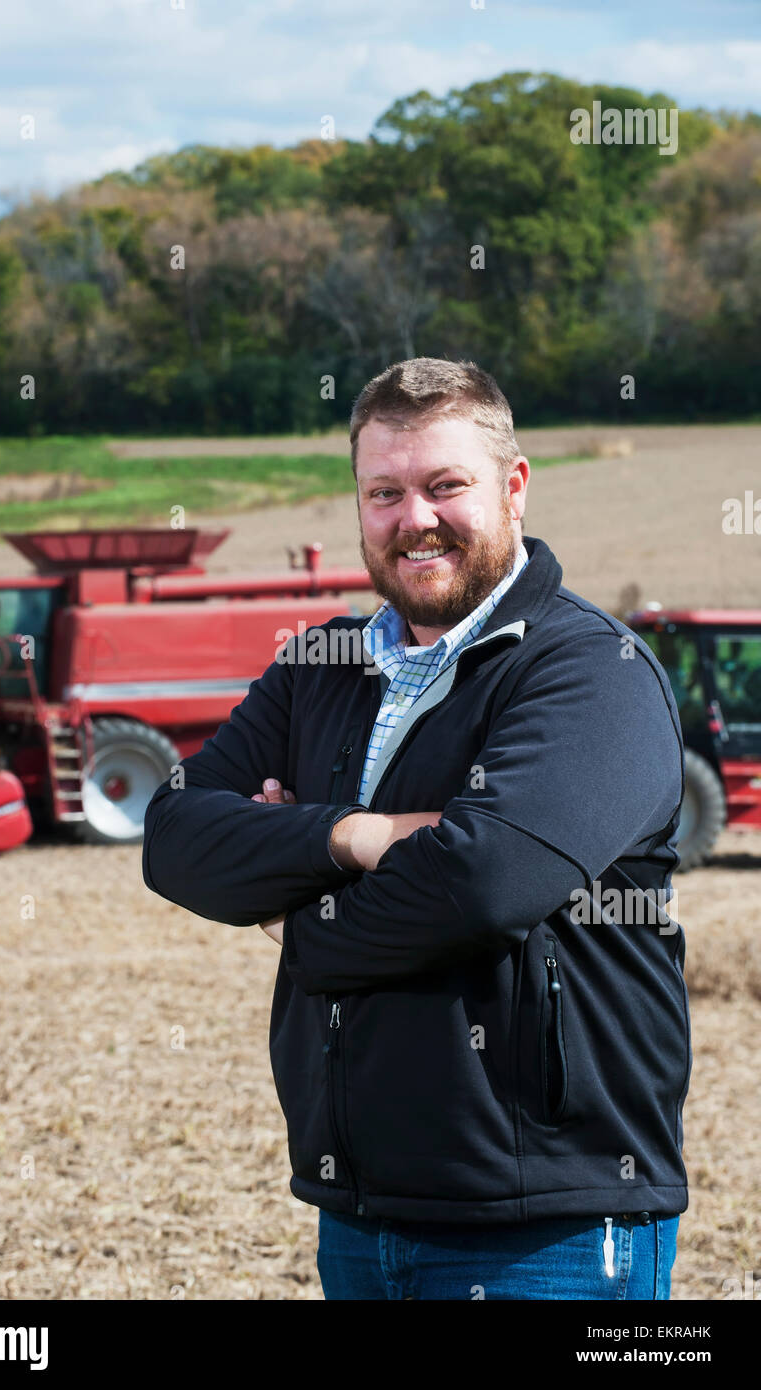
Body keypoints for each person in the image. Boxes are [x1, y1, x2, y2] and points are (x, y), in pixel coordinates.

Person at [142, 357, 690, 1301]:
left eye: (446, 486)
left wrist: (295, 919)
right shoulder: (320, 665)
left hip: (546, 1227)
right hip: (356, 1215)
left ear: (514, 489)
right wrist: (356, 839)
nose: (415, 518)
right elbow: (174, 836)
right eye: (384, 492)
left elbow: (480, 883)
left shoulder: (591, 673)